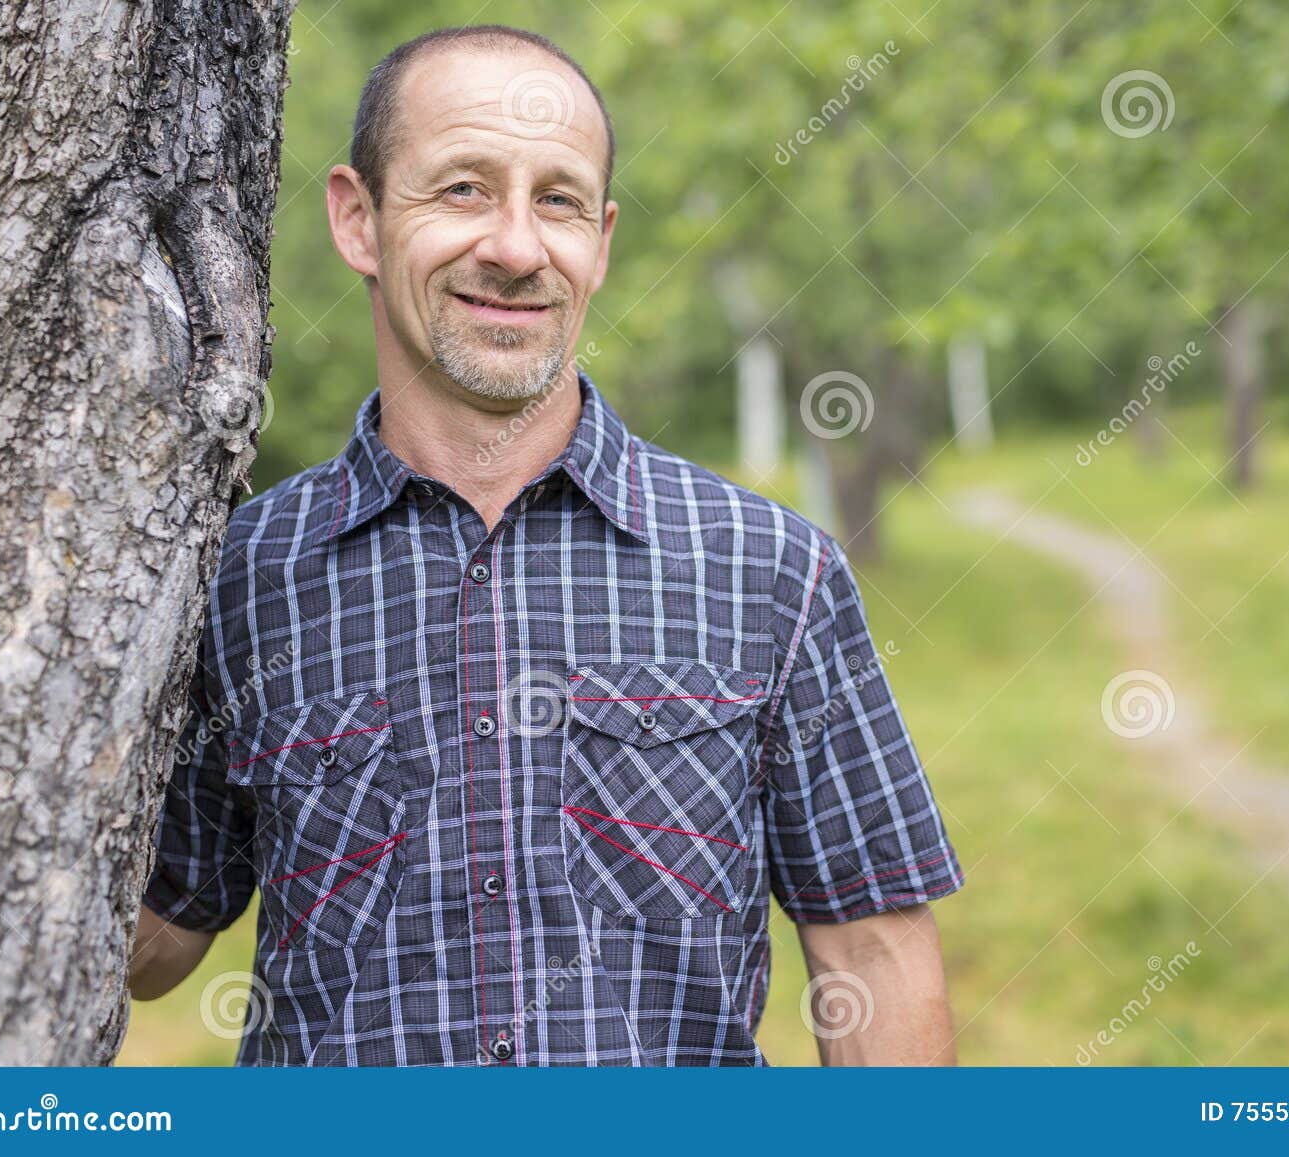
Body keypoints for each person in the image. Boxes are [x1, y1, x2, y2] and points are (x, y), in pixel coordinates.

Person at [130, 23, 964, 1066]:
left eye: (557, 199)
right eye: (464, 189)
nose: (516, 249)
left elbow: (873, 949)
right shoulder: (236, 576)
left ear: (601, 243)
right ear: (358, 218)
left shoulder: (770, 571)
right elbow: (152, 942)